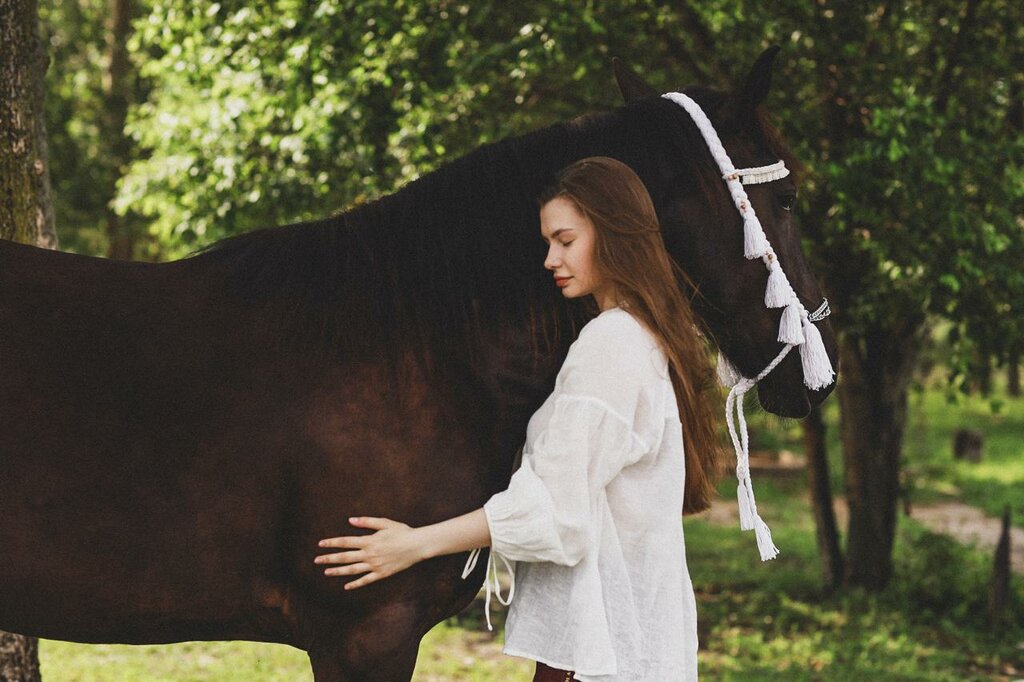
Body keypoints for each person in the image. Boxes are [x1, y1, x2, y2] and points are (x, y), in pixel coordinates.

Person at [313, 156, 723, 681]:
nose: (551, 259)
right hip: (623, 644)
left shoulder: (612, 344)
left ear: (615, 232)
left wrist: (413, 544)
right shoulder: (640, 338)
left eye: (565, 240)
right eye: (548, 243)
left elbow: (556, 511)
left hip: (599, 655)